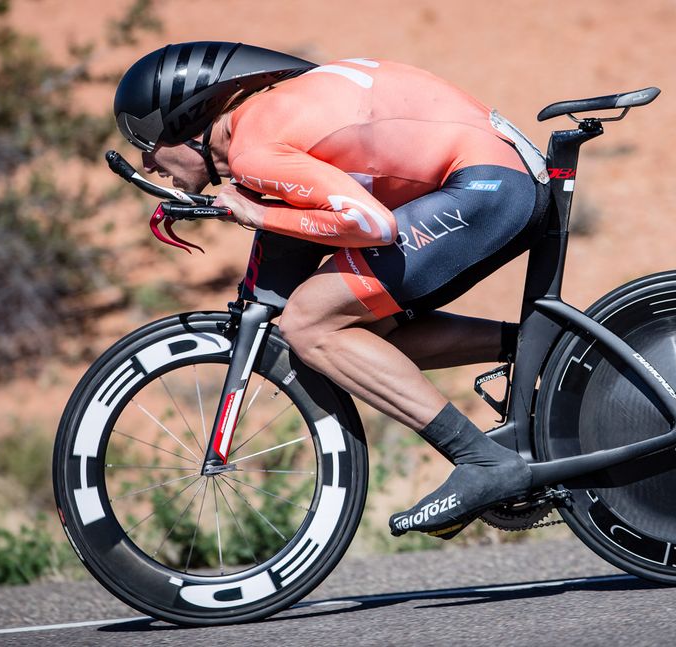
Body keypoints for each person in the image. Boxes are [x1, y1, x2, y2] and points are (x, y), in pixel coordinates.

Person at [114, 41, 549, 539]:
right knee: (358, 341)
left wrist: (257, 213)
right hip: (503, 180)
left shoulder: (254, 146)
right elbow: (296, 238)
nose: (147, 164)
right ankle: (545, 352)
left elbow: (368, 222)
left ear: (187, 121)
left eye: (145, 141)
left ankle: (483, 462)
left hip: (487, 187)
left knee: (310, 323)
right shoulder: (264, 121)